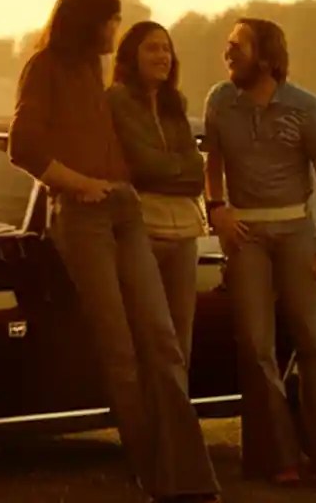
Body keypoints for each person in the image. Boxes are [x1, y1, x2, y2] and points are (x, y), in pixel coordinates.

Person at [9, 0, 221, 503]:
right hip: (82, 216)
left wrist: (120, 185)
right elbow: (23, 146)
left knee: (163, 342)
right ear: (88, 21)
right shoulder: (44, 68)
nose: (116, 29)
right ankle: (152, 473)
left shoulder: (92, 72)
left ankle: (187, 473)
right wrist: (81, 184)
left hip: (125, 210)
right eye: (112, 20)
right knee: (121, 351)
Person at [202, 17, 316, 490]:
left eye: (238, 47)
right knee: (255, 347)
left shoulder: (305, 108)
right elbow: (213, 163)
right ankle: (278, 458)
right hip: (245, 235)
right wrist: (217, 210)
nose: (228, 53)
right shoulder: (220, 102)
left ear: (266, 56)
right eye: (228, 46)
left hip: (295, 233)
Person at [106, 21, 206, 370]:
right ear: (131, 55)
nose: (162, 55)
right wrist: (174, 168)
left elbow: (197, 173)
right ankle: (148, 418)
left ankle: (175, 419)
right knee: (151, 335)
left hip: (185, 233)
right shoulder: (116, 99)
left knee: (181, 338)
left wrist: (170, 169)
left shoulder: (174, 102)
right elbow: (141, 165)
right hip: (143, 230)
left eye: (166, 48)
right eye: (152, 48)